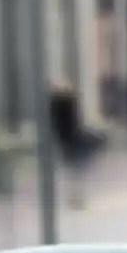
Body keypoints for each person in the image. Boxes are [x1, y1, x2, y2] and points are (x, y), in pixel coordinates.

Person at [48, 78, 86, 209]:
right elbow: (74, 121)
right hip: (70, 139)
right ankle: (75, 198)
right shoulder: (65, 102)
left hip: (65, 140)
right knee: (74, 171)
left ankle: (74, 198)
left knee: (72, 171)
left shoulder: (58, 103)